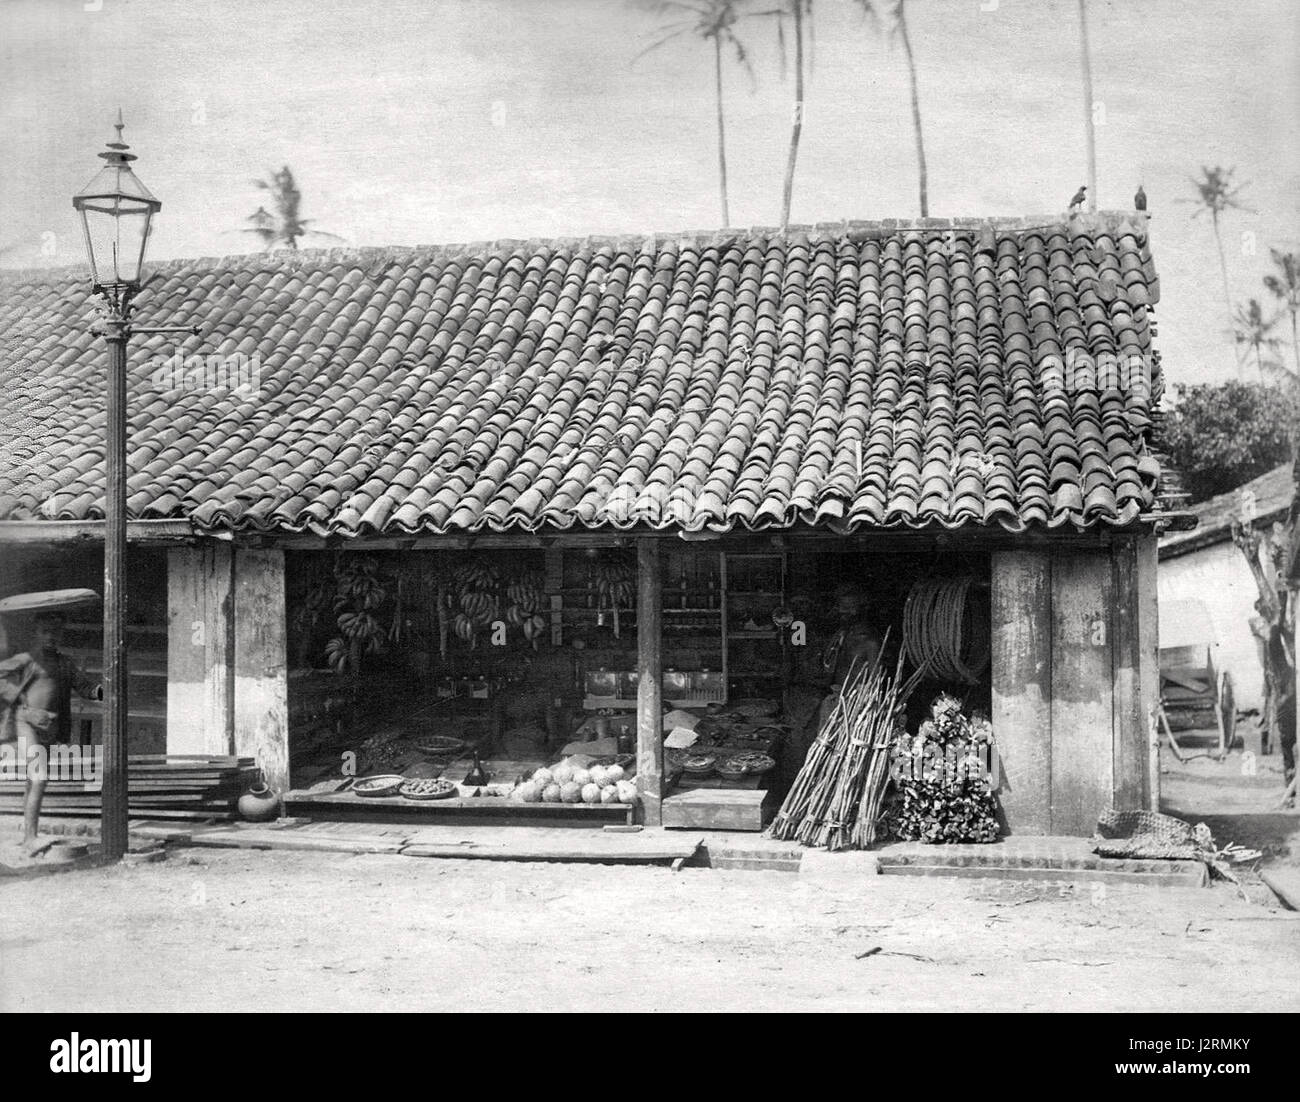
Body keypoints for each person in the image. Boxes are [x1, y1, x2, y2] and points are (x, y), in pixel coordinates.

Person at [0, 612, 102, 854]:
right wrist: (18, 698)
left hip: (50, 727)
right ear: (37, 633)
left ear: (61, 635)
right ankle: (31, 838)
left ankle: (27, 837)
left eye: (55, 633)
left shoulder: (65, 663)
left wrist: (103, 690)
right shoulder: (28, 659)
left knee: (31, 780)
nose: (50, 637)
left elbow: (85, 687)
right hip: (27, 724)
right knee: (39, 777)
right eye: (45, 632)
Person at [814, 584, 883, 733]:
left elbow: (875, 684)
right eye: (841, 606)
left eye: (849, 607)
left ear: (862, 609)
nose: (843, 611)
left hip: (856, 708)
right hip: (837, 703)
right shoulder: (841, 636)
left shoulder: (870, 643)